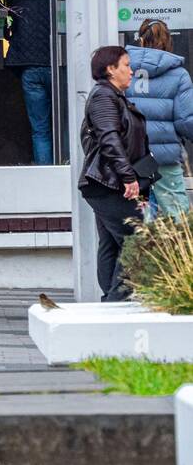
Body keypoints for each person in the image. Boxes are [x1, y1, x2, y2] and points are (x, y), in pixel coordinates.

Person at [80, 46, 153, 302]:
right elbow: (109, 138)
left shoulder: (115, 96)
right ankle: (116, 302)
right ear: (110, 69)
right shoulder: (103, 96)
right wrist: (128, 177)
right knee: (138, 242)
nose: (131, 71)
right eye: (125, 65)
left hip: (108, 183)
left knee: (112, 243)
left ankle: (110, 305)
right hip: (108, 184)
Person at [125, 19, 193, 219]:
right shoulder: (179, 74)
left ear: (141, 40)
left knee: (143, 217)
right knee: (178, 217)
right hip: (164, 155)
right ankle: (178, 251)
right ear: (167, 40)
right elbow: (186, 120)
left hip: (134, 155)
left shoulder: (124, 70)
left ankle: (145, 250)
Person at [3, 0, 54, 165]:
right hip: (55, 66)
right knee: (66, 120)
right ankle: (67, 166)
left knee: (40, 129)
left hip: (29, 69)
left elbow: (7, 33)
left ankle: (45, 173)